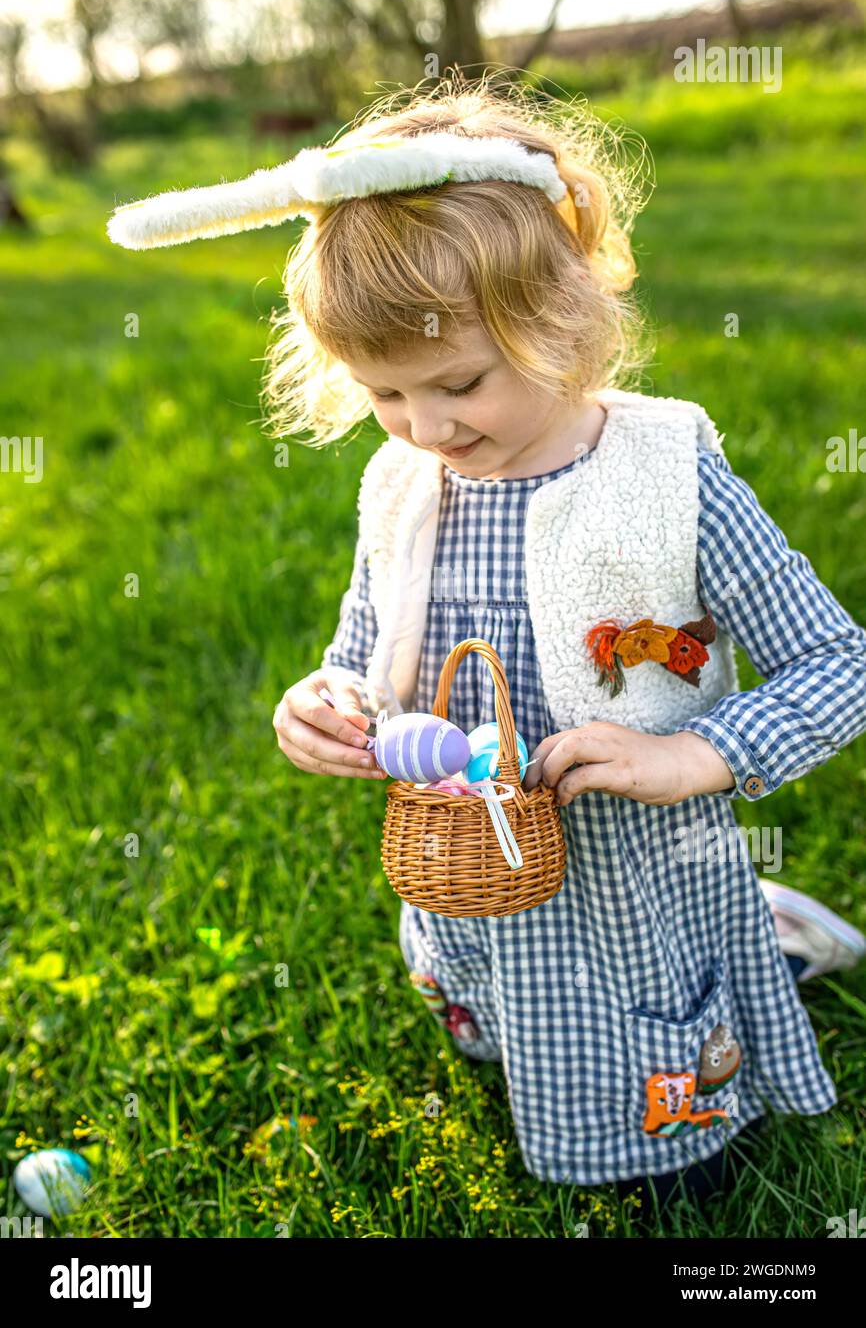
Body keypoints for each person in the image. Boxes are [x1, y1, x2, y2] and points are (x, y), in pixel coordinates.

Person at [107, 71, 866, 1212]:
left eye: (457, 382)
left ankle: (742, 980)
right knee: (512, 1038)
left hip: (632, 881)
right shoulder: (404, 483)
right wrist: (327, 700)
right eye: (383, 395)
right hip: (471, 875)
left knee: (676, 1162)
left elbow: (835, 663)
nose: (428, 428)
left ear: (560, 313)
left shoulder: (664, 473)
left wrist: (689, 755)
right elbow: (365, 657)